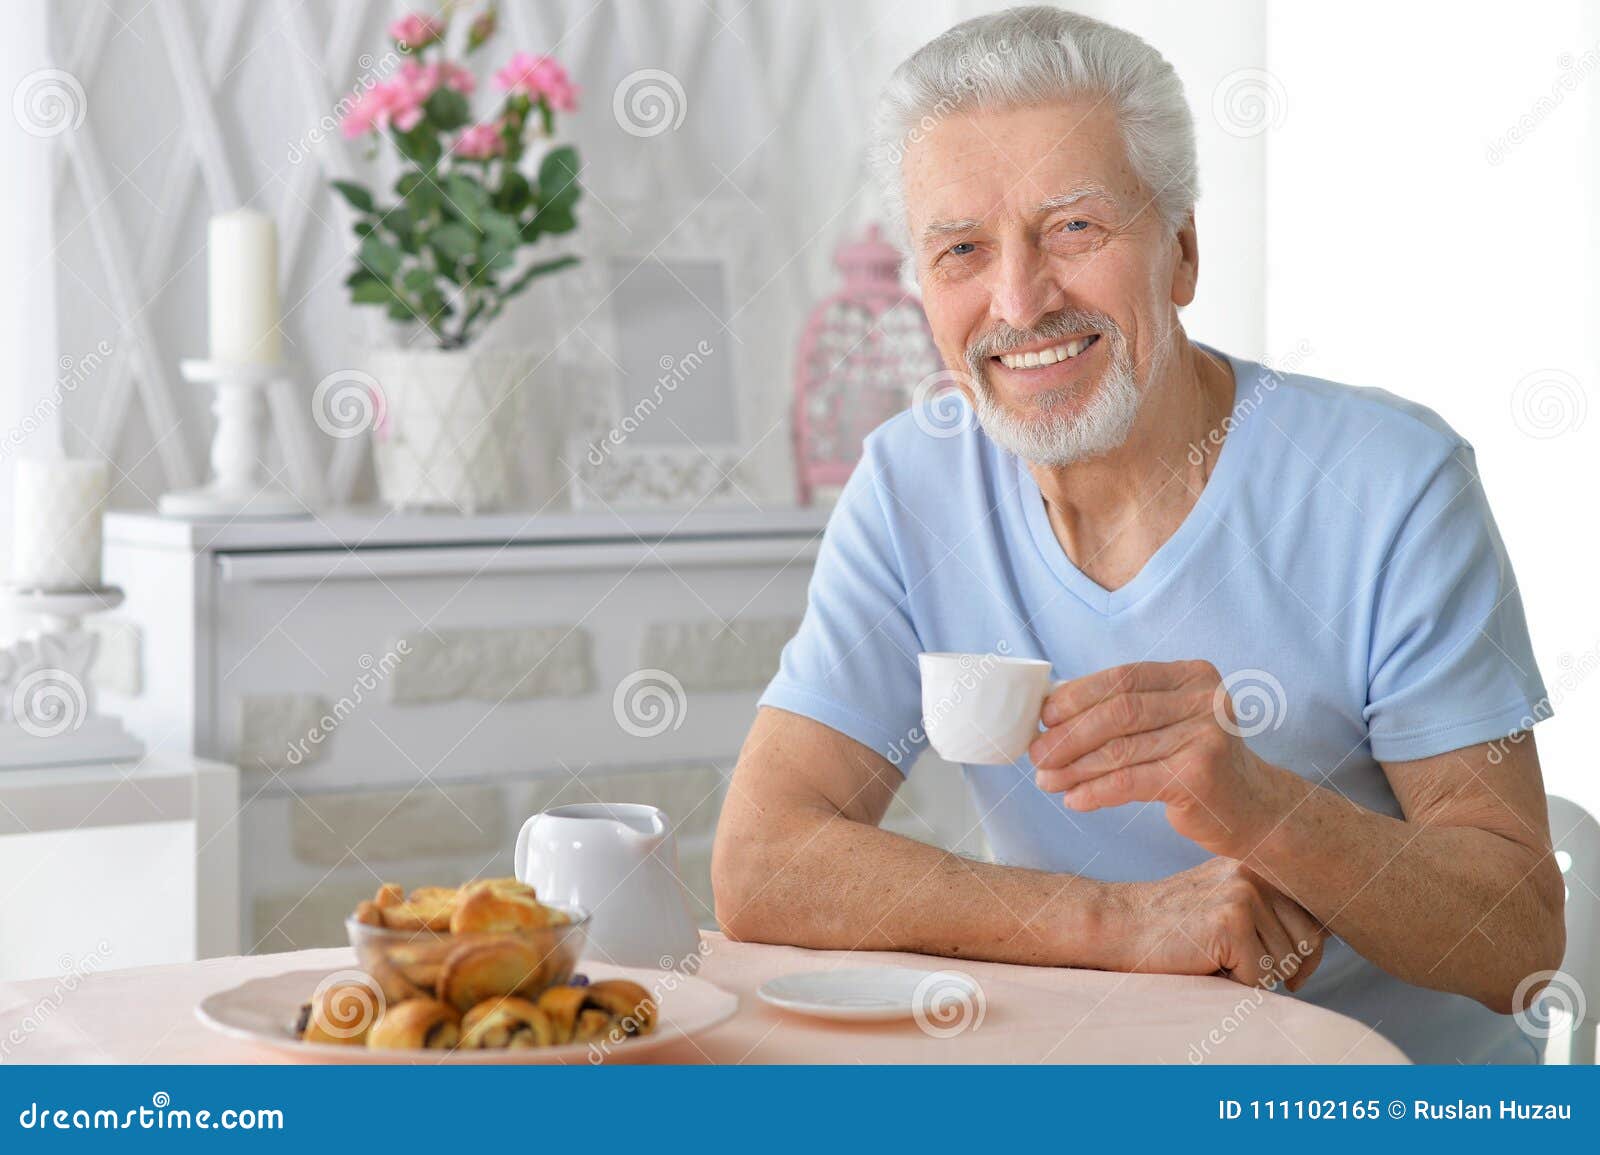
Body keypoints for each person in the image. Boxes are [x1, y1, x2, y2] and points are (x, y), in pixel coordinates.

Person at [711, 6, 1564, 1063]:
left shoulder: (1389, 483)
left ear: (1183, 253)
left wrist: (1257, 806)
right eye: (963, 250)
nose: (1018, 301)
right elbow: (762, 864)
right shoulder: (909, 484)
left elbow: (1517, 936)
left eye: (1074, 228)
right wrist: (1116, 922)